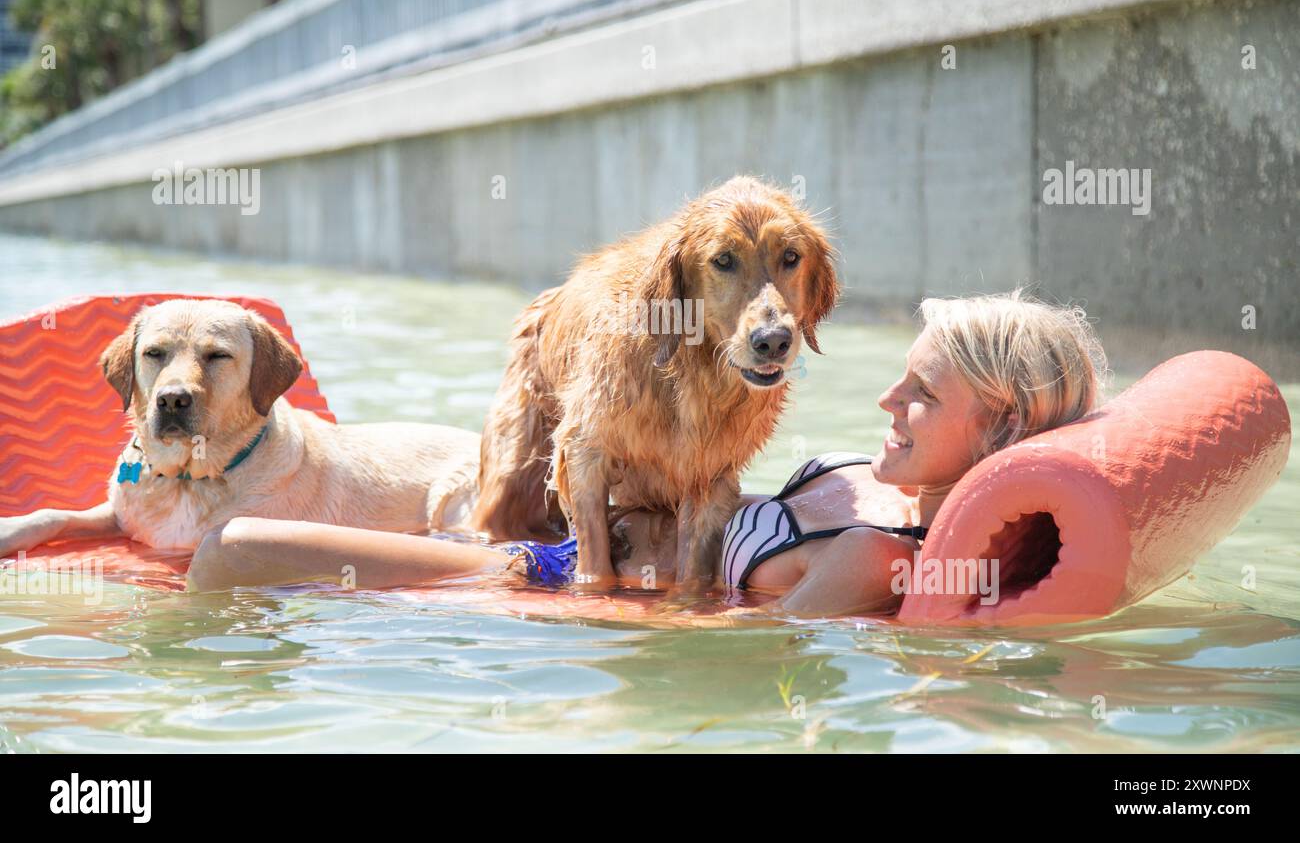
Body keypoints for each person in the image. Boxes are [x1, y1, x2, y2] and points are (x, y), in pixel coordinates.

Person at [186, 290, 1106, 619]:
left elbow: (713, 644)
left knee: (231, 551)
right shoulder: (881, 493)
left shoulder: (877, 557)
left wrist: (541, 607)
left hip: (543, 582)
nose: (887, 401)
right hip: (574, 539)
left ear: (1001, 426)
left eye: (923, 394)